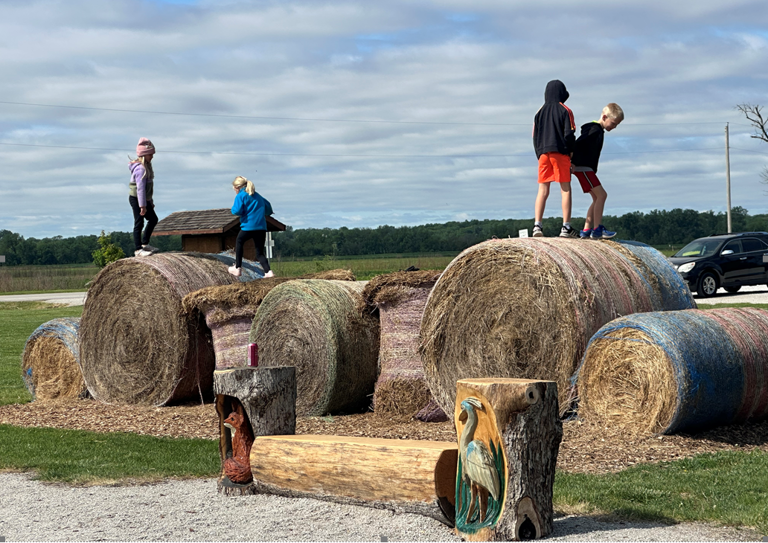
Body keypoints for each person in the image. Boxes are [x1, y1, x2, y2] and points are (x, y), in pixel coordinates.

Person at [571, 103, 624, 239]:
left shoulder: (597, 130)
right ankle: (597, 230)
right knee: (602, 195)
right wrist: (571, 161)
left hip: (586, 168)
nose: (614, 127)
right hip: (583, 167)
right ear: (604, 117)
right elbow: (578, 143)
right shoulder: (594, 130)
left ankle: (587, 230)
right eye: (613, 123)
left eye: (616, 125)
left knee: (596, 198)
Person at [532, 80, 577, 238]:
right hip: (560, 152)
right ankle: (566, 227)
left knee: (542, 190)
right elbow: (569, 134)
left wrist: (539, 154)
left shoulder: (539, 112)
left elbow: (534, 136)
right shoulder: (565, 110)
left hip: (543, 154)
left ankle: (537, 225)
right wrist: (571, 152)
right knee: (565, 189)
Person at [229, 175, 275, 278]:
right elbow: (268, 208)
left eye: (235, 189)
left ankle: (237, 268)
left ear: (237, 187)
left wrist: (241, 211)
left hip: (248, 227)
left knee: (239, 242)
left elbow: (236, 210)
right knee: (259, 253)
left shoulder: (241, 196)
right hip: (261, 227)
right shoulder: (258, 196)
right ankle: (268, 272)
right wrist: (265, 212)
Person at [129, 137, 159, 257]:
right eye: (150, 154)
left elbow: (147, 189)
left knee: (153, 219)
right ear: (144, 154)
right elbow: (140, 189)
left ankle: (144, 244)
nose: (152, 157)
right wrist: (142, 206)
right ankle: (137, 250)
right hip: (136, 199)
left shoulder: (147, 168)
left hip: (143, 199)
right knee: (139, 222)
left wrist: (150, 201)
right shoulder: (140, 169)